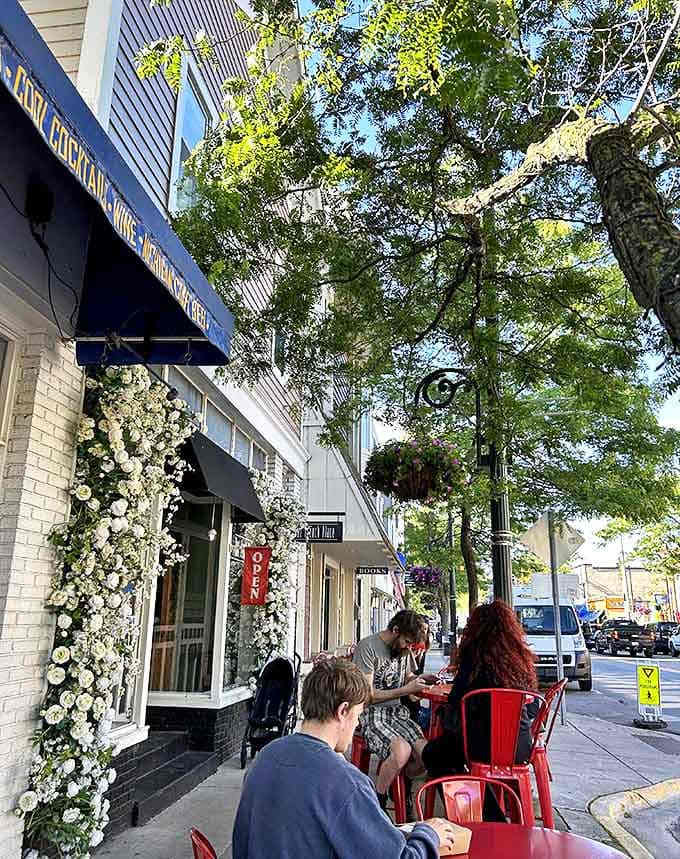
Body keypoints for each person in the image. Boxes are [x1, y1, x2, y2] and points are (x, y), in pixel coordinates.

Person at [232, 658, 469, 859]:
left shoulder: (265, 757)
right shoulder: (346, 783)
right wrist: (429, 834)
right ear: (343, 711)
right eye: (358, 714)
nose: (357, 723)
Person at [422, 601, 540, 797]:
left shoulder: (473, 660)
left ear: (475, 629)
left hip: (479, 746)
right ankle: (493, 809)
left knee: (433, 754)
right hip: (520, 748)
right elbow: (534, 708)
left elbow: (455, 703)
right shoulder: (520, 662)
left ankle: (478, 810)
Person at [353, 610, 439, 808]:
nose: (409, 647)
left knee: (428, 755)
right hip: (371, 714)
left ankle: (395, 782)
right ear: (395, 630)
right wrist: (406, 689)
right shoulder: (368, 647)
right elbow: (367, 695)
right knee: (401, 751)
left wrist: (419, 680)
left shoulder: (403, 650)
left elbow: (407, 676)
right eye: (407, 641)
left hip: (398, 714)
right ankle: (378, 801)